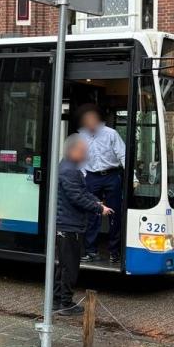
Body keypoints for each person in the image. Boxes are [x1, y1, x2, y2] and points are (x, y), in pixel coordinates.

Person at [55, 133, 114, 315]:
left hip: (68, 224)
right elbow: (77, 197)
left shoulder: (69, 167)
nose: (86, 154)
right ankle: (65, 303)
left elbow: (83, 192)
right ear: (73, 150)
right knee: (69, 267)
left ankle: (58, 301)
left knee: (63, 266)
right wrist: (98, 209)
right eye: (83, 150)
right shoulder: (69, 170)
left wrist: (97, 203)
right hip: (68, 225)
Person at [77, 104, 126, 264]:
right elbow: (79, 159)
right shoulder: (80, 137)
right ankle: (90, 251)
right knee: (92, 214)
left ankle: (114, 251)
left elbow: (123, 154)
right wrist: (84, 176)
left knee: (114, 214)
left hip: (111, 176)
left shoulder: (111, 134)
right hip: (92, 177)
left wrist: (132, 178)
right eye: (87, 119)